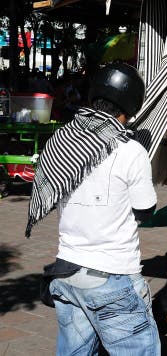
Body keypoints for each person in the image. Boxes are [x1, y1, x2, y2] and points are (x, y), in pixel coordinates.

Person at [26, 62, 160, 355]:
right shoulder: (130, 150)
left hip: (66, 273)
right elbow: (145, 209)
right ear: (131, 107)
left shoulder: (63, 141)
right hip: (110, 277)